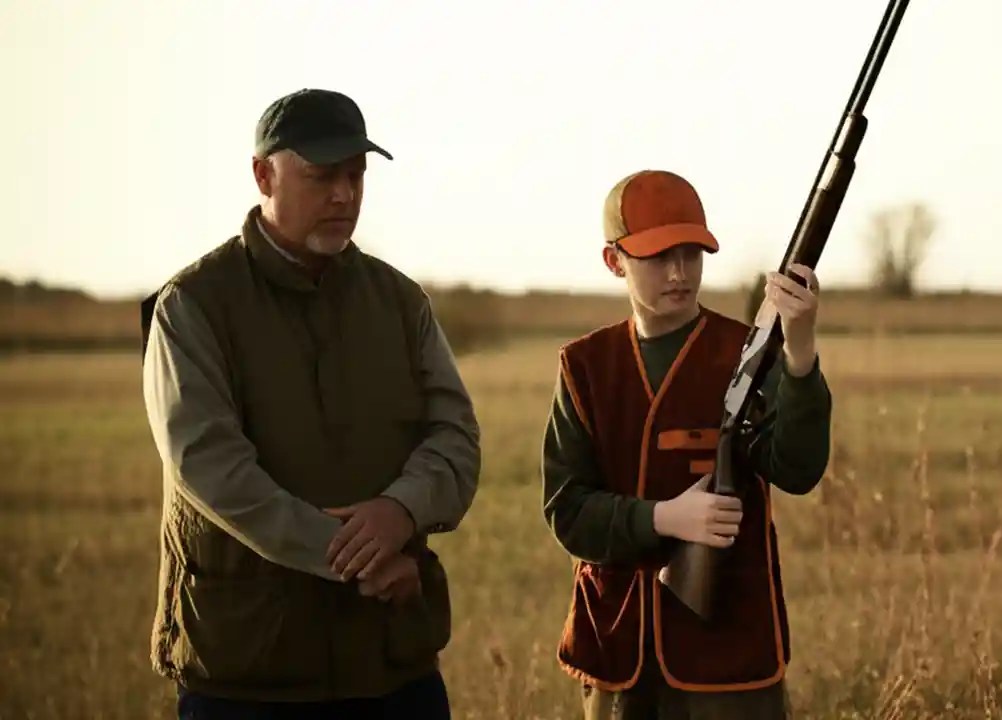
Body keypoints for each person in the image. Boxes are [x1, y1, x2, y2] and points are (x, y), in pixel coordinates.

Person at [140, 88, 481, 719]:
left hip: (393, 667)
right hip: (248, 675)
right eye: (322, 175)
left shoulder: (400, 303)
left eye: (356, 176)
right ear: (262, 174)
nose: (344, 195)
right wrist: (355, 556)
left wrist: (401, 513)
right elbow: (212, 469)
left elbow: (455, 438)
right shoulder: (192, 307)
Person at [540, 169, 833, 719]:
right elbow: (567, 512)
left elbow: (798, 469)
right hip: (619, 653)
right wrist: (664, 519)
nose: (678, 273)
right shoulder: (583, 366)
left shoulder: (744, 352)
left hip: (730, 655)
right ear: (615, 261)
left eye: (691, 255)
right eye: (657, 257)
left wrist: (800, 353)